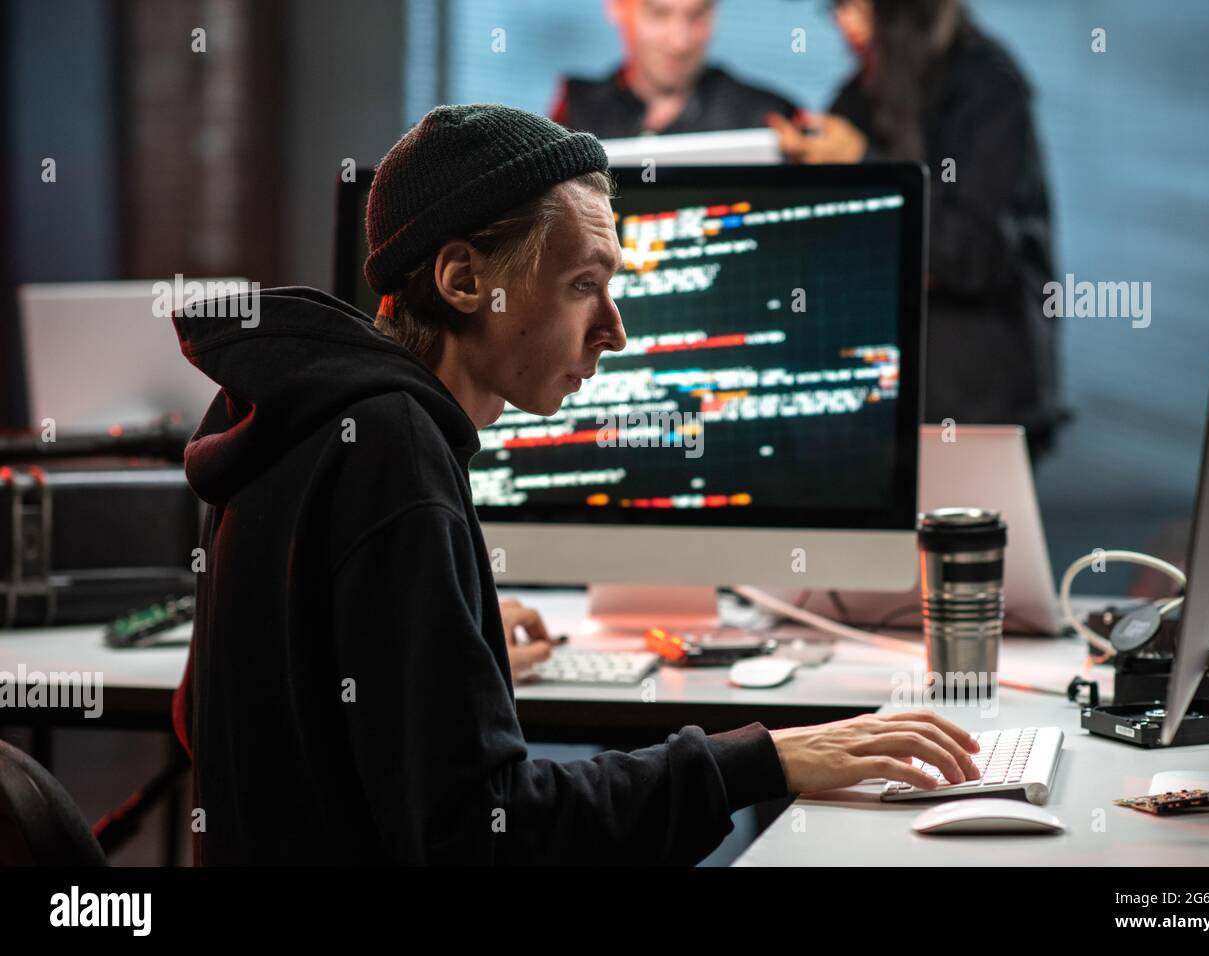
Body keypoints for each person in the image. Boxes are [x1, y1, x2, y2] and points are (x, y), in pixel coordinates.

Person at [170, 104, 980, 865]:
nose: (616, 330)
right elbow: (491, 836)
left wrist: (449, 665)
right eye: (583, 285)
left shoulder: (291, 412)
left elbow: (207, 712)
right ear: (461, 280)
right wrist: (758, 761)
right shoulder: (391, 449)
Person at [768, 0, 1065, 459]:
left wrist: (860, 164)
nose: (846, 22)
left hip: (976, 406)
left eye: (859, 7)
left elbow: (973, 253)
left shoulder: (988, 91)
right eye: (838, 7)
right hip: (883, 401)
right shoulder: (864, 93)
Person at [551, 0, 801, 138]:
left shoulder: (768, 117)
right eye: (659, 14)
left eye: (697, 15)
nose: (679, 42)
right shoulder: (574, 109)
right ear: (616, 7)